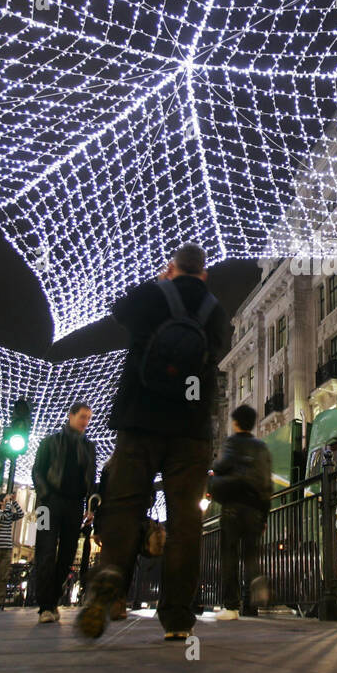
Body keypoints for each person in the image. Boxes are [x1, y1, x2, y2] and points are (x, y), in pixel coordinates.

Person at [79, 242, 231, 641]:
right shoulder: (214, 309)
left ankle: (110, 577)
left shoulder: (151, 295)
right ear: (204, 273)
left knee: (125, 508)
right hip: (190, 428)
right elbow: (218, 350)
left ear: (172, 267)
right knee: (185, 521)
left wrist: (160, 286)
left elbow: (121, 313)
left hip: (139, 419)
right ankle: (178, 617)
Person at [32, 402, 97, 623]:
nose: (85, 422)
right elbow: (37, 471)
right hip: (46, 504)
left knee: (68, 554)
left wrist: (90, 506)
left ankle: (52, 600)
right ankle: (45, 606)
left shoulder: (89, 447)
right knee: (45, 551)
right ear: (70, 416)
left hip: (74, 504)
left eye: (88, 418)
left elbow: (90, 479)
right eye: (82, 417)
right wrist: (45, 495)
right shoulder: (49, 442)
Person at [211, 404, 274, 620]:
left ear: (235, 423)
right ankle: (255, 584)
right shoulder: (262, 448)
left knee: (230, 554)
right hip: (255, 508)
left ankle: (231, 606)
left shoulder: (231, 443)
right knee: (251, 554)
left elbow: (221, 466)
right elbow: (267, 484)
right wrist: (264, 515)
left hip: (233, 507)